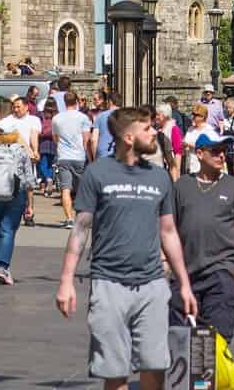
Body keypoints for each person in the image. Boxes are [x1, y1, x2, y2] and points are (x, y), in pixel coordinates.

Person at [54, 106, 199, 390]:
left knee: (155, 364)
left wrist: (184, 284)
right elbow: (81, 229)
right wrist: (66, 281)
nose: (154, 132)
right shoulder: (97, 173)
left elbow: (168, 231)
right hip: (109, 284)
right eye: (147, 128)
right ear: (129, 137)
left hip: (152, 283)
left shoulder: (159, 177)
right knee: (115, 369)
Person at [171, 135, 234, 342]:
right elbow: (168, 226)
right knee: (182, 339)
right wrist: (165, 259)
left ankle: (210, 376)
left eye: (223, 151)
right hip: (185, 274)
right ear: (199, 154)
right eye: (215, 151)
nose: (221, 155)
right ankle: (192, 375)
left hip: (220, 271)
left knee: (217, 338)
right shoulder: (182, 186)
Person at [0, 110, 37, 285]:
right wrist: (30, 204)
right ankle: (2, 267)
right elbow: (28, 180)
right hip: (14, 195)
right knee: (8, 230)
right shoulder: (20, 151)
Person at [0, 96, 43, 225]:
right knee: (10, 185)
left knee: (29, 186)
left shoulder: (34, 120)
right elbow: (0, 137)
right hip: (9, 158)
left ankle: (29, 211)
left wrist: (35, 151)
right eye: (14, 107)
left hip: (26, 156)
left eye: (18, 107)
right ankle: (10, 212)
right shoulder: (6, 121)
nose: (15, 109)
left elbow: (34, 136)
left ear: (26, 107)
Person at [51, 92, 93, 230]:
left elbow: (55, 138)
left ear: (64, 102)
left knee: (65, 188)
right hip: (79, 156)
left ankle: (69, 218)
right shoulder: (83, 117)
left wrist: (61, 146)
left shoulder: (56, 118)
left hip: (63, 156)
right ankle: (81, 218)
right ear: (76, 102)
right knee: (82, 189)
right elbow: (87, 138)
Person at [150, 104, 185, 179]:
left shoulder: (174, 129)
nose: (156, 117)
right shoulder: (158, 129)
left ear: (165, 116)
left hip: (170, 169)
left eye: (158, 115)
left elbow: (178, 152)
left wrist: (176, 173)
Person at [93, 87, 122, 159]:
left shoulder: (100, 116)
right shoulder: (127, 116)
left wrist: (94, 157)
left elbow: (94, 139)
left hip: (103, 153)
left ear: (110, 101)